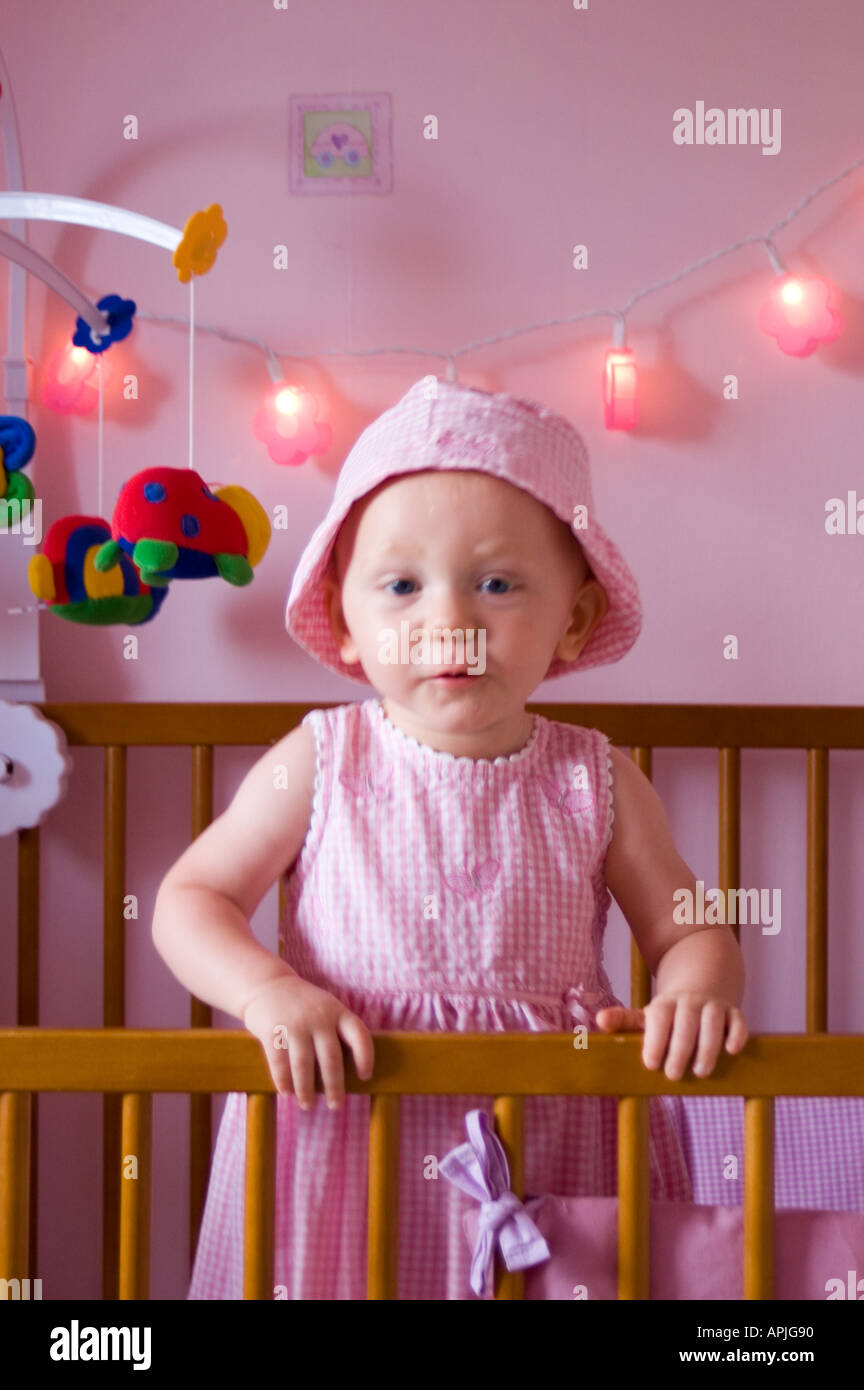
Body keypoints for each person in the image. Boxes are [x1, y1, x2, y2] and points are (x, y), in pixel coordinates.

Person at [153, 374, 748, 1299]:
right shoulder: (320, 758)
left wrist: (696, 990)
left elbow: (689, 926)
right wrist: (268, 992)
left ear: (574, 619)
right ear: (346, 620)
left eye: (498, 583)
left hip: (555, 1131)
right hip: (344, 1120)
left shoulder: (594, 777)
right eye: (400, 585)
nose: (451, 621)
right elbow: (192, 900)